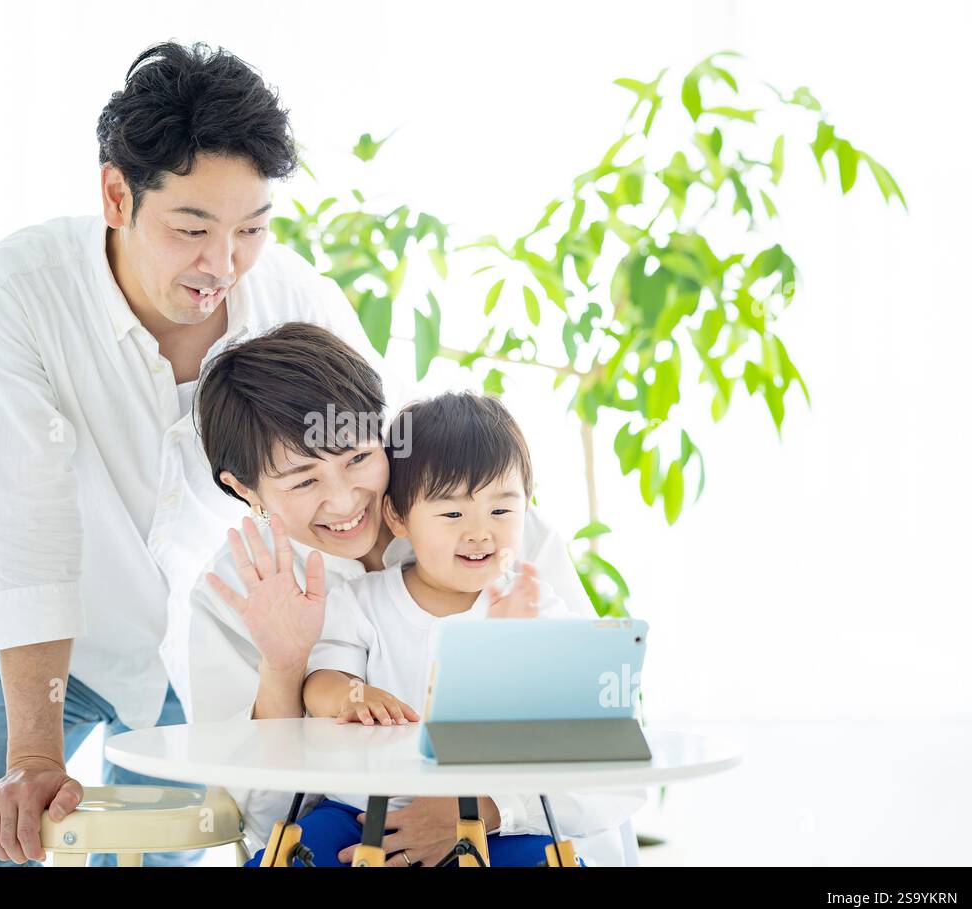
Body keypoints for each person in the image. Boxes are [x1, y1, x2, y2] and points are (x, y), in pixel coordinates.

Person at [0, 41, 382, 866]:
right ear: (116, 194)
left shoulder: (301, 305)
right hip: (64, 628)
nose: (223, 265)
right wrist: (32, 756)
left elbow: (376, 494)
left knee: (168, 844)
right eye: (192, 228)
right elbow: (24, 524)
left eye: (252, 230)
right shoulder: (16, 292)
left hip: (228, 639)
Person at [189, 326, 645, 865]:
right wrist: (284, 670)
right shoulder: (235, 592)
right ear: (245, 489)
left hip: (523, 832)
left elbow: (609, 757)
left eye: (358, 458)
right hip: (358, 831)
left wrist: (478, 810)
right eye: (303, 481)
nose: (343, 500)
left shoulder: (500, 533)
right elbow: (265, 820)